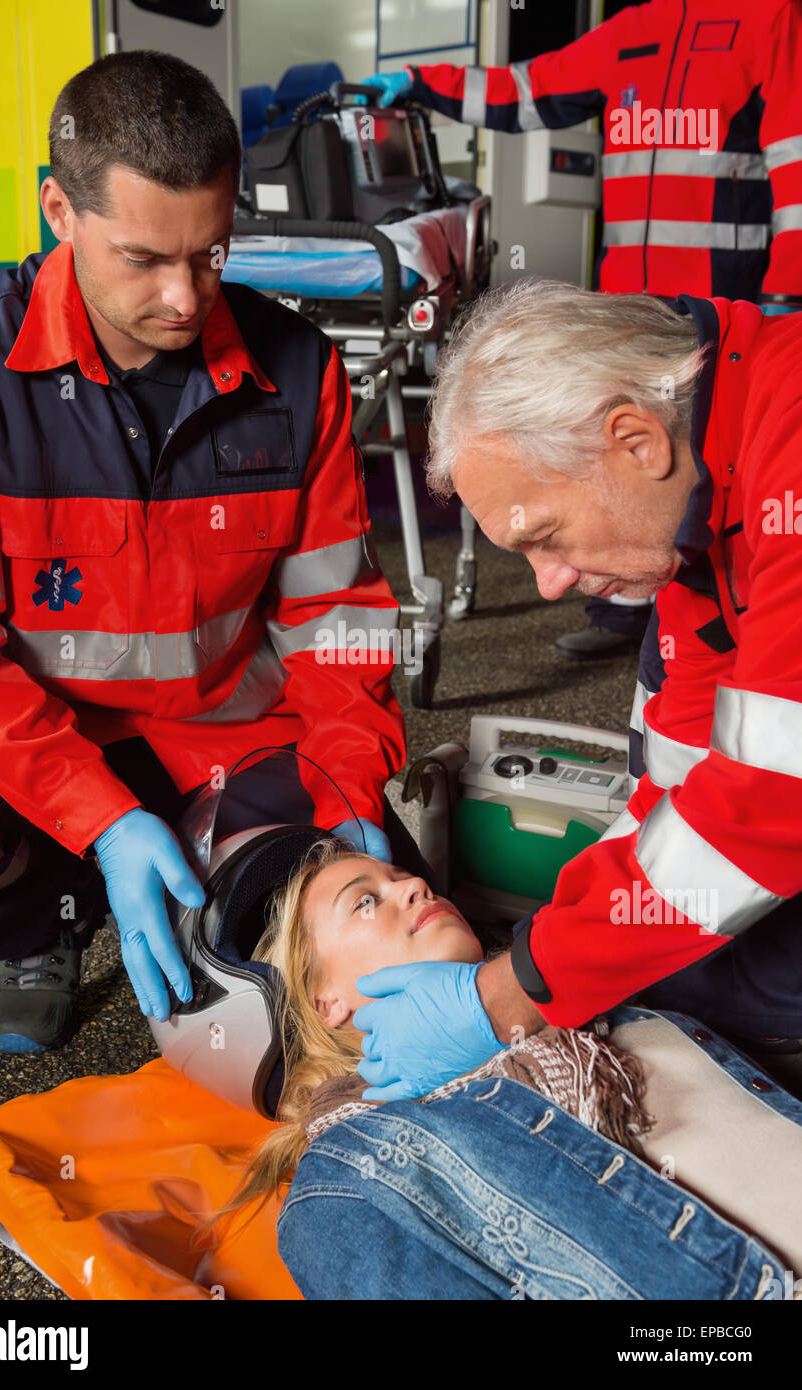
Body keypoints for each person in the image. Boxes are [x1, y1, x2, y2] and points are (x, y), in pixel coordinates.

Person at [0, 50, 420, 1054]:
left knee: (371, 936)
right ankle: (49, 915)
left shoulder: (299, 372)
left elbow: (335, 620)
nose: (187, 296)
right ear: (58, 215)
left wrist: (348, 791)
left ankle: (151, 874)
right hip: (26, 752)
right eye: (144, 258)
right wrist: (102, 821)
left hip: (225, 749)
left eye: (211, 251)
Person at [342, 276, 802, 1105]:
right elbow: (677, 777)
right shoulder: (701, 496)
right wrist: (560, 947)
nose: (549, 585)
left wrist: (505, 995)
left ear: (633, 440)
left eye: (543, 535)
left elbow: (768, 801)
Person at [363, 0, 802, 657]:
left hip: (729, 300)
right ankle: (625, 613)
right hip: (630, 304)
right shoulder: (632, 30)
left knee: (714, 482)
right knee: (607, 466)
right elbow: (524, 90)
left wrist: (787, 292)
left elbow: (795, 155)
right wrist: (425, 83)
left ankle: (744, 626)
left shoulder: (769, 18)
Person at [216, 841, 802, 1301]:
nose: (416, 884)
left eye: (401, 876)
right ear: (327, 1003)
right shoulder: (351, 1177)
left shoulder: (595, 1005)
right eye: (364, 901)